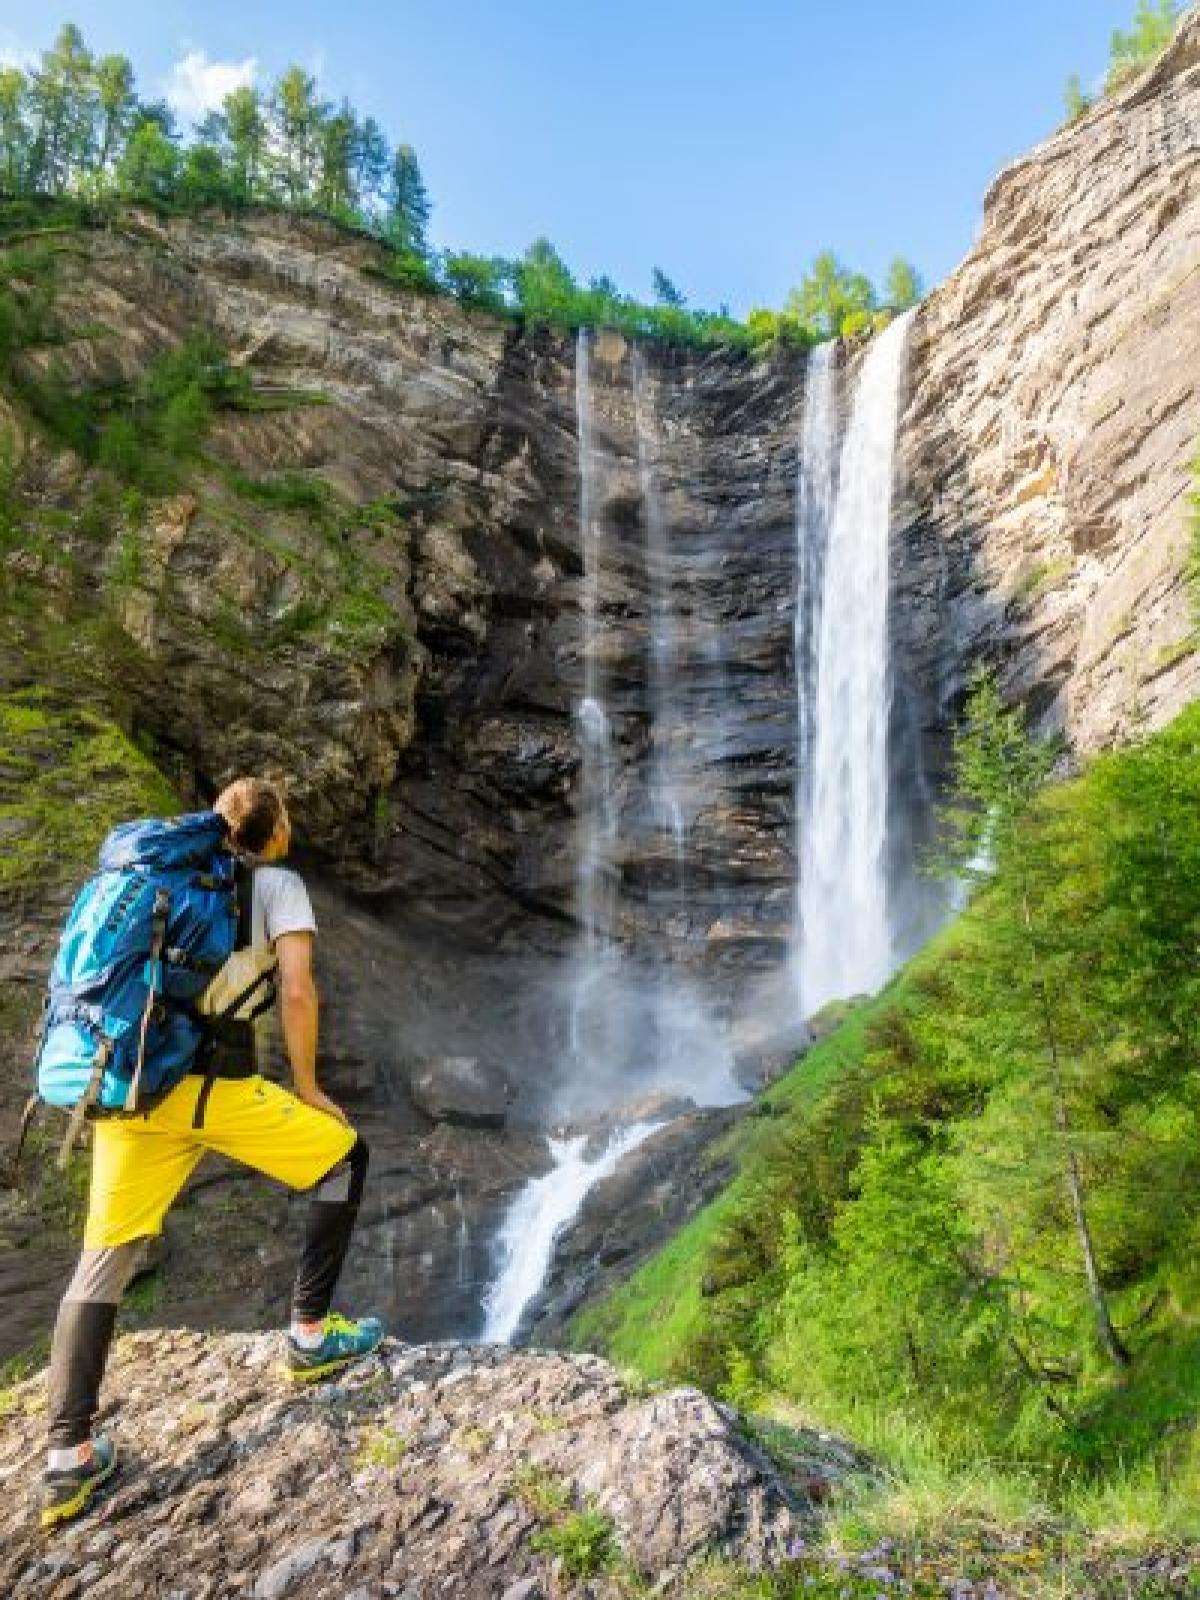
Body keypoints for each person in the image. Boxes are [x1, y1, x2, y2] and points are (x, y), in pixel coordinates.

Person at [40, 777, 383, 1531]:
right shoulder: (277, 885)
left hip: (129, 1094)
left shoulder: (148, 879)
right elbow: (297, 991)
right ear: (275, 829)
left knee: (102, 1264)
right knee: (343, 1157)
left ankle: (67, 1458)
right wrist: (307, 1084)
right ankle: (309, 1338)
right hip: (211, 1087)